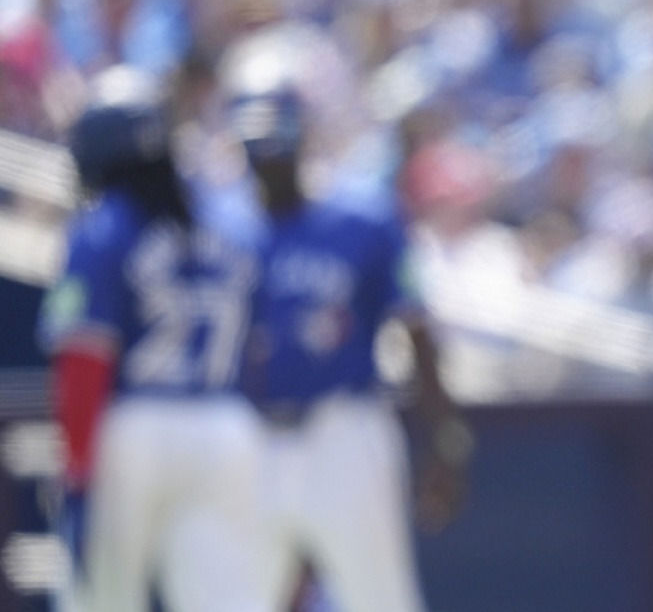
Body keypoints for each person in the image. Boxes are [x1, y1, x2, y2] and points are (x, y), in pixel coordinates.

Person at [215, 33, 473, 612]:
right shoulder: (218, 225)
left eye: (278, 142)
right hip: (247, 435)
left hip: (343, 427)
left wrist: (444, 443)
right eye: (258, 145)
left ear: (303, 135)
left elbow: (418, 331)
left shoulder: (363, 217)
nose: (270, 159)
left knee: (378, 597)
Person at [37, 65, 266, 612]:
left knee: (102, 601)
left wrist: (76, 473)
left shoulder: (101, 228)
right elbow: (259, 348)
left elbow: (84, 361)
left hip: (134, 427)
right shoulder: (229, 222)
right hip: (226, 425)